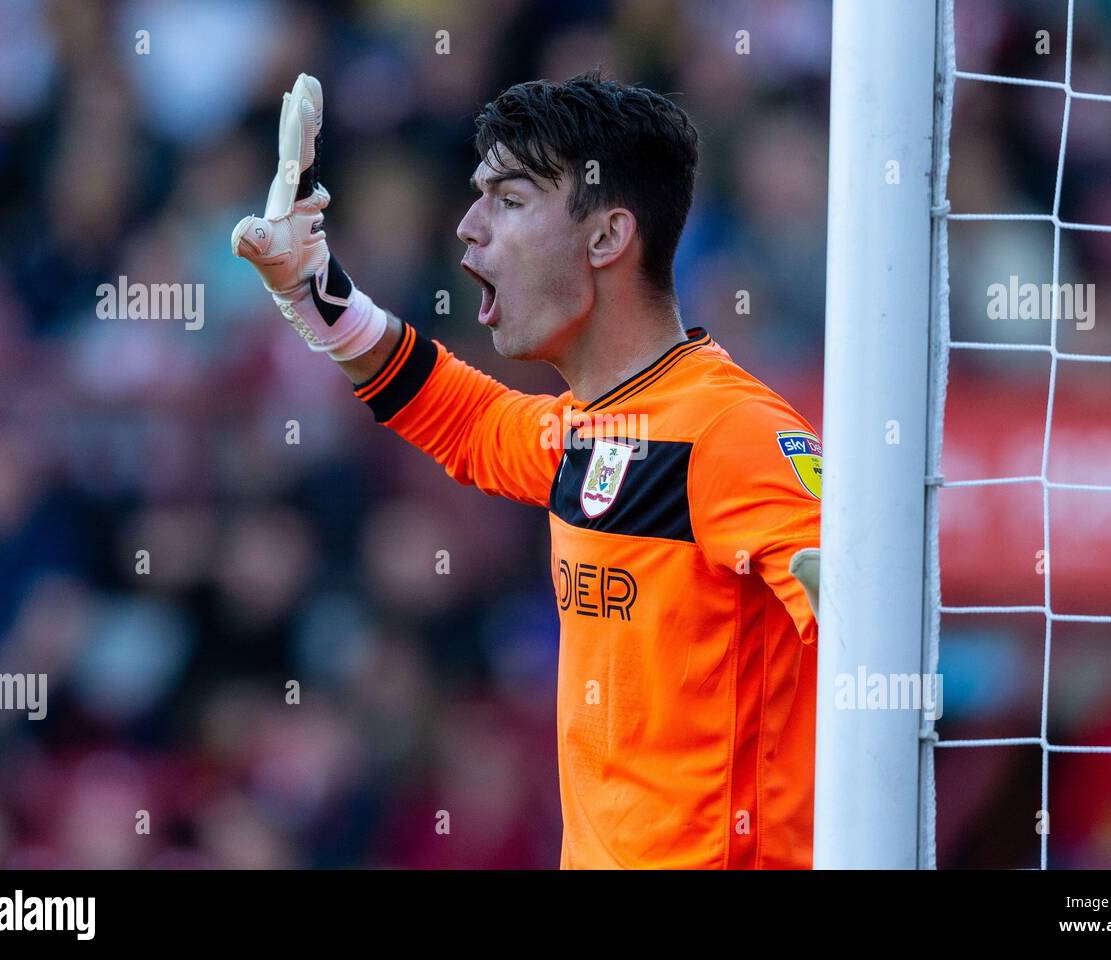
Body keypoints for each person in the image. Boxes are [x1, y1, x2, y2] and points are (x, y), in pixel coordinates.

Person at [232, 70, 823, 869]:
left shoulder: (732, 435)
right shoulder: (586, 432)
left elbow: (864, 632)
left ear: (607, 238)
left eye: (508, 201)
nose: (468, 227)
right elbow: (462, 416)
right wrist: (316, 292)